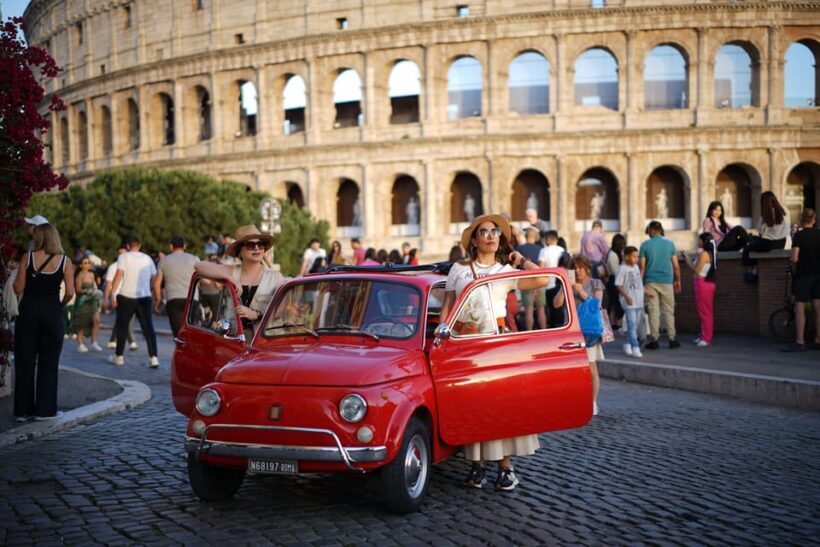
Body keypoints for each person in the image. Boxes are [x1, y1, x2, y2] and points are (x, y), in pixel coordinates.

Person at [439, 214, 547, 492]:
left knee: (500, 405)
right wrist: (441, 334)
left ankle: (505, 467)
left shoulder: (505, 272)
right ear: (474, 240)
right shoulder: (458, 270)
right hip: (466, 344)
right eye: (484, 231)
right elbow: (448, 307)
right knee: (473, 406)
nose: (490, 235)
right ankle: (477, 465)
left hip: (497, 344)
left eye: (495, 231)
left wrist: (519, 259)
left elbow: (543, 279)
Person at [12, 223, 75, 421]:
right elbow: (71, 292)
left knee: (25, 361)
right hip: (52, 313)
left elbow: (17, 288)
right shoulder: (66, 261)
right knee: (49, 362)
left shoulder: (27, 258)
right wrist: (60, 305)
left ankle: (23, 411)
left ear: (38, 238)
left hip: (28, 312)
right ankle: (45, 410)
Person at [195, 225, 282, 339]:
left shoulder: (275, 276)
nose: (257, 248)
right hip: (233, 341)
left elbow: (281, 310)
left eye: (260, 245)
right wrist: (229, 278)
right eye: (251, 245)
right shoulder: (231, 271)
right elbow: (199, 266)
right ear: (239, 252)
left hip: (263, 342)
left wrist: (256, 314)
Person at [553, 255, 604, 415]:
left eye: (580, 267)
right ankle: (576, 400)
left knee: (591, 368)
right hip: (571, 331)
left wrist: (581, 291)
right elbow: (556, 304)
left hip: (588, 332)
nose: (577, 270)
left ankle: (593, 402)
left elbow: (597, 305)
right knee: (573, 369)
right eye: (574, 267)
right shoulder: (567, 284)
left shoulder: (596, 283)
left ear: (587, 268)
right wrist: (564, 287)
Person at [109, 234, 160, 368]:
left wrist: (112, 294)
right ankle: (153, 357)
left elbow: (119, 275)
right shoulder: (147, 258)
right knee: (148, 327)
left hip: (127, 296)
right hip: (144, 296)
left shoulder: (123, 257)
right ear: (140, 245)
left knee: (123, 326)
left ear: (127, 246)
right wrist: (153, 293)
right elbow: (155, 278)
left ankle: (119, 356)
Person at [639, 220, 681, 349]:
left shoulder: (645, 245)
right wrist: (678, 280)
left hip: (650, 282)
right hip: (667, 282)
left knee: (653, 311)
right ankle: (672, 339)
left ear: (651, 230)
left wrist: (640, 284)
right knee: (668, 311)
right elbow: (676, 266)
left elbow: (642, 268)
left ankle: (654, 340)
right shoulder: (669, 244)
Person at [783, 208, 820, 352]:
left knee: (800, 308)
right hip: (819, 275)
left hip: (804, 275)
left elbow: (795, 257)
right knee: (818, 308)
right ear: (814, 220)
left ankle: (800, 341)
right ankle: (818, 340)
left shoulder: (799, 235)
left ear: (802, 220)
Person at [153, 235, 199, 338]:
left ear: (170, 246)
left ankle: (181, 352)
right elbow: (203, 279)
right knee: (192, 331)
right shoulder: (194, 259)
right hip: (192, 299)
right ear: (185, 246)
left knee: (179, 335)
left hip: (173, 299)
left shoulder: (164, 261)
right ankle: (191, 353)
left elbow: (156, 284)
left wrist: (158, 300)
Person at [682, 233, 717, 348]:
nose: (698, 241)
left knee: (705, 312)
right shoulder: (710, 253)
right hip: (706, 283)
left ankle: (706, 337)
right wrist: (688, 259)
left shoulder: (704, 254)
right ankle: (704, 335)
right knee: (705, 311)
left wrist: (687, 260)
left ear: (703, 241)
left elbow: (696, 270)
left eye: (699, 240)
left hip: (702, 284)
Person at [742, 191, 790, 274]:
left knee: (747, 247)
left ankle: (751, 270)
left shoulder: (767, 214)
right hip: (782, 242)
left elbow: (760, 232)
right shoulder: (785, 211)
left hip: (768, 243)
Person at [104, 246, 137, 351]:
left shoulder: (130, 266)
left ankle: (112, 340)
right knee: (123, 318)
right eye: (120, 253)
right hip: (117, 295)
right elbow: (109, 283)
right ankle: (131, 342)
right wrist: (108, 297)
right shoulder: (113, 267)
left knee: (121, 319)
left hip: (128, 294)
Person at [615, 246, 645, 358]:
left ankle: (627, 343)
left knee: (635, 326)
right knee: (632, 325)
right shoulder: (622, 268)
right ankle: (635, 347)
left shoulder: (636, 267)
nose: (636, 258)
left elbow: (638, 283)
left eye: (637, 256)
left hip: (638, 300)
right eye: (634, 256)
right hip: (629, 301)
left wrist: (646, 292)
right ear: (627, 257)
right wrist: (626, 297)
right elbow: (618, 285)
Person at [516, 227, 547, 330]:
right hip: (540, 281)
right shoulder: (541, 250)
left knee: (528, 310)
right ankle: (544, 332)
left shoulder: (519, 249)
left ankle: (529, 332)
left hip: (526, 281)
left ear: (526, 236)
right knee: (541, 310)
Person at [72, 257, 103, 352]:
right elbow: (77, 290)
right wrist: (87, 291)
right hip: (82, 301)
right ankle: (80, 343)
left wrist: (96, 293)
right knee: (81, 322)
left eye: (88, 262)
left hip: (92, 300)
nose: (87, 264)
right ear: (81, 265)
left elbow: (94, 286)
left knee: (97, 320)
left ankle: (94, 341)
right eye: (85, 263)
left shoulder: (92, 274)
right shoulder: (79, 275)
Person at [538, 230, 567, 327]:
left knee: (552, 309)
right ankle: (562, 326)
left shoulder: (544, 251)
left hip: (549, 284)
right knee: (561, 308)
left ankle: (555, 328)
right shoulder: (563, 251)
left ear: (548, 239)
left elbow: (540, 269)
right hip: (562, 284)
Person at [604, 233, 627, 331]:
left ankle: (615, 325)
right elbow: (615, 271)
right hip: (614, 281)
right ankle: (616, 325)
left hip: (614, 280)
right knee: (616, 303)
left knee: (614, 303)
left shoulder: (615, 254)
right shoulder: (613, 255)